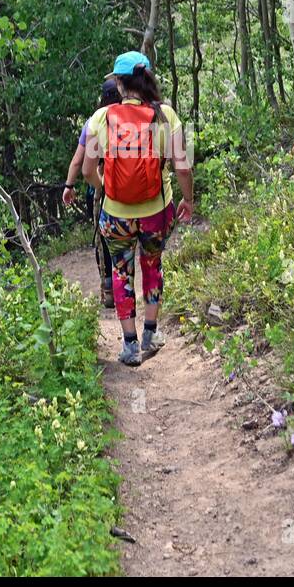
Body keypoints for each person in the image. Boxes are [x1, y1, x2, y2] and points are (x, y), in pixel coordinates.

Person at [83, 51, 194, 366]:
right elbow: (182, 167)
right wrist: (188, 199)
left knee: (121, 270)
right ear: (146, 78)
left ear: (119, 83)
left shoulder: (100, 119)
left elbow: (88, 169)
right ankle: (150, 333)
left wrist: (105, 187)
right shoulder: (165, 116)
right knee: (152, 265)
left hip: (116, 215)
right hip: (156, 211)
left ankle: (129, 345)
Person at [62, 78, 122, 308]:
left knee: (102, 239)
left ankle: (108, 289)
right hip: (126, 188)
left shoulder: (93, 122)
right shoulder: (130, 118)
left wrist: (69, 186)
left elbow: (79, 161)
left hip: (98, 188)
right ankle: (123, 285)